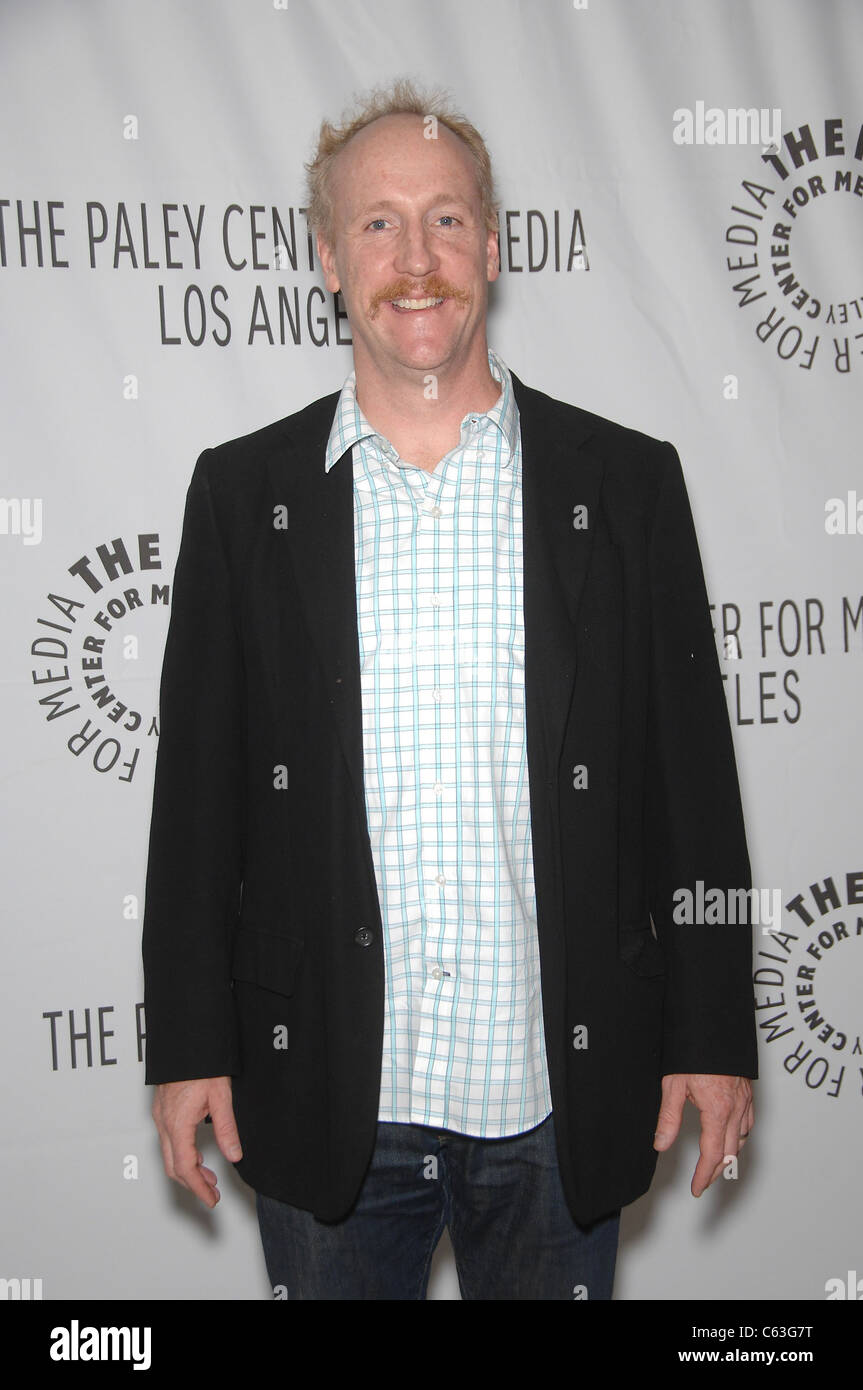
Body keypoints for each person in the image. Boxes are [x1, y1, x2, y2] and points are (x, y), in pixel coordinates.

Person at [142, 78, 757, 1301]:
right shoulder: (239, 494)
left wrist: (710, 1030)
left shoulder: (625, 485)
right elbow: (197, 797)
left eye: (444, 219)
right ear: (324, 259)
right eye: (375, 224)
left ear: (494, 242)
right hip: (326, 1087)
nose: (413, 260)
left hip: (550, 1089)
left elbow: (690, 783)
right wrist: (189, 1042)